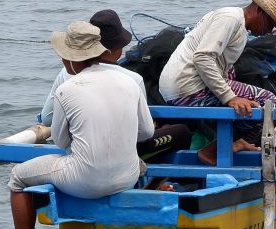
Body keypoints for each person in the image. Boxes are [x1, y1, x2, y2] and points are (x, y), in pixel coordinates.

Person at [8, 21, 155, 229]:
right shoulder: (131, 82)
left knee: (17, 179)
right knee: (136, 163)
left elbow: (62, 142)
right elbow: (147, 132)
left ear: (72, 60)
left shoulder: (66, 90)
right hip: (128, 176)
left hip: (85, 181)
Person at [158, 0, 276, 165]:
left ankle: (230, 143)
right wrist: (230, 97)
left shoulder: (239, 27)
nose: (269, 31)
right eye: (271, 24)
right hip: (187, 88)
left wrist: (235, 94)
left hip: (182, 87)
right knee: (267, 100)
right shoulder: (230, 18)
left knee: (246, 95)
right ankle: (213, 151)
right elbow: (202, 57)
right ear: (260, 10)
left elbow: (220, 67)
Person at [39, 10, 189, 162]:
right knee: (182, 131)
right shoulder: (132, 79)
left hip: (77, 150)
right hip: (120, 156)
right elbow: (144, 132)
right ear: (115, 50)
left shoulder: (66, 74)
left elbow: (47, 119)